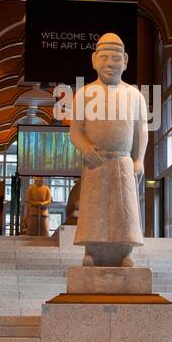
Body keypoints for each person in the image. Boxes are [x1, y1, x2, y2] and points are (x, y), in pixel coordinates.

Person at [66, 33, 148, 267]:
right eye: (104, 57)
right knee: (94, 210)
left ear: (126, 61)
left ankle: (125, 253)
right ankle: (92, 252)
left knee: (124, 212)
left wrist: (139, 159)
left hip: (123, 161)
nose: (110, 63)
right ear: (94, 60)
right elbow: (75, 130)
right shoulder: (84, 94)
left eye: (115, 58)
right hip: (96, 161)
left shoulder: (135, 95)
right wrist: (85, 148)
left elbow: (142, 130)